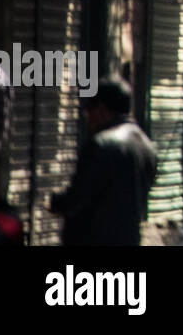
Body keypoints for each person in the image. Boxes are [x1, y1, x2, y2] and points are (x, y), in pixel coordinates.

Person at [48, 79, 157, 245]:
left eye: (89, 112)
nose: (88, 120)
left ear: (101, 110)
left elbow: (76, 200)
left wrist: (54, 201)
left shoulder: (100, 145)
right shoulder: (148, 147)